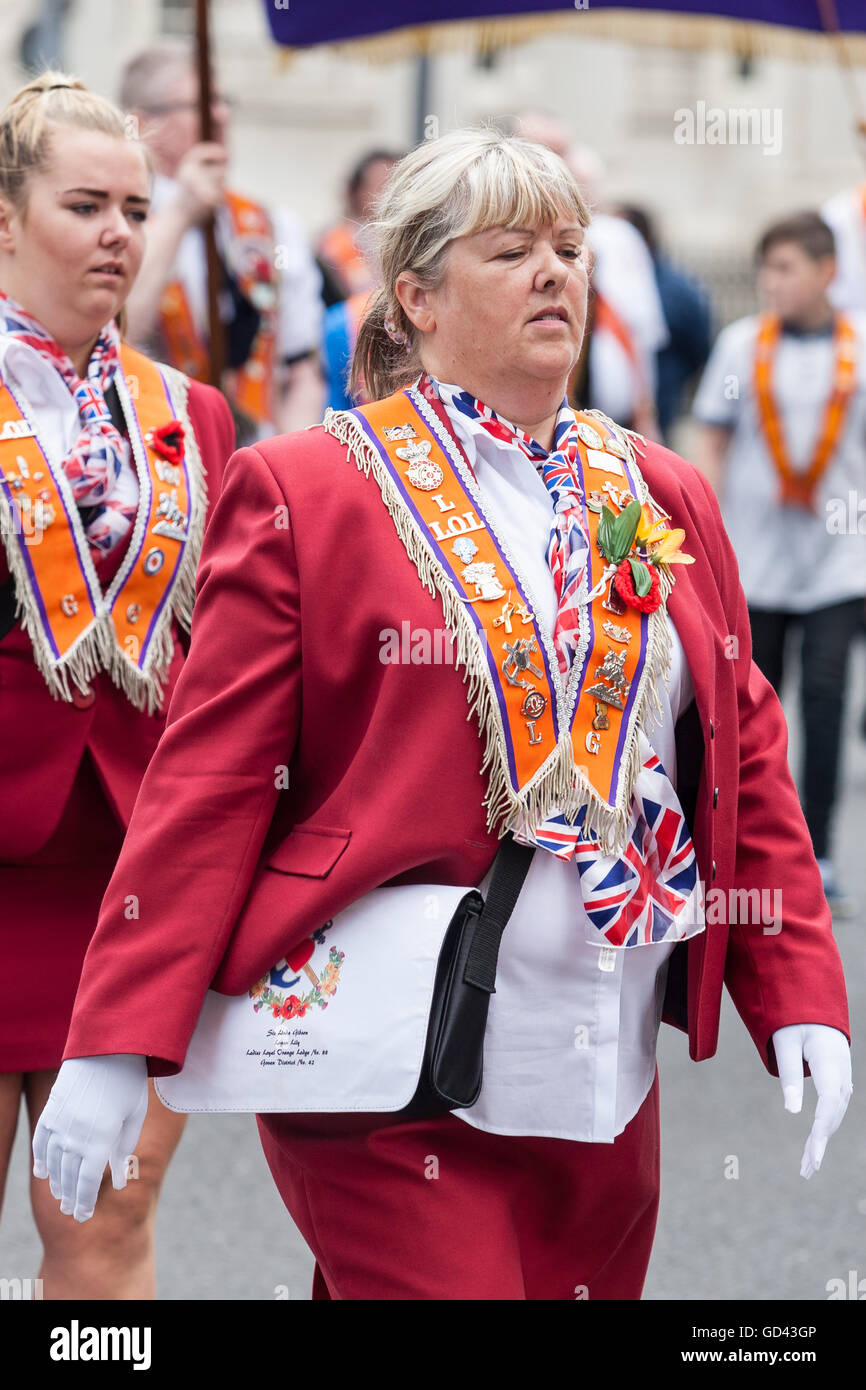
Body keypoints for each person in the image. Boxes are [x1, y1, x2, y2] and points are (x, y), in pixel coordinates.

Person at [35, 130, 850, 1302]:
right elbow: (208, 782)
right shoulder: (305, 490)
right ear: (413, 296)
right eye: (512, 249)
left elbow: (742, 752)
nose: (555, 274)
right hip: (382, 1060)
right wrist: (117, 1036)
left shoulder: (661, 490)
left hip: (599, 1051)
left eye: (568, 249)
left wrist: (795, 994)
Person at [0, 71, 234, 1298]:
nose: (118, 236)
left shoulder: (191, 415)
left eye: (136, 210)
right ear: (2, 218)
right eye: (85, 204)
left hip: (129, 883)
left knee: (104, 1235)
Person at [692, 211, 866, 916]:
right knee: (747, 712)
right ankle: (738, 851)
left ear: (826, 272)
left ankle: (818, 854)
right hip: (754, 559)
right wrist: (706, 535)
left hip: (839, 560)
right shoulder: (741, 345)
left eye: (786, 268)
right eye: (766, 268)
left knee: (824, 703)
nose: (772, 282)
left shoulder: (859, 348)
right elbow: (712, 439)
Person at [118, 42, 324, 445]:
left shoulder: (270, 224)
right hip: (157, 454)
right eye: (200, 104)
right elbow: (119, 327)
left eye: (224, 100)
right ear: (142, 124)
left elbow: (301, 365)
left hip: (256, 461)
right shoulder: (121, 221)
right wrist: (180, 212)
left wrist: (290, 449)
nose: (221, 115)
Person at [618, 204, 712, 444]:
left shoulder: (674, 289)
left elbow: (700, 344)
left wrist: (673, 377)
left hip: (660, 404)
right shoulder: (612, 283)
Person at [317, 149, 401, 300]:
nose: (391, 195)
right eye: (382, 185)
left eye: (397, 187)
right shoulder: (334, 242)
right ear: (358, 191)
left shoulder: (410, 238)